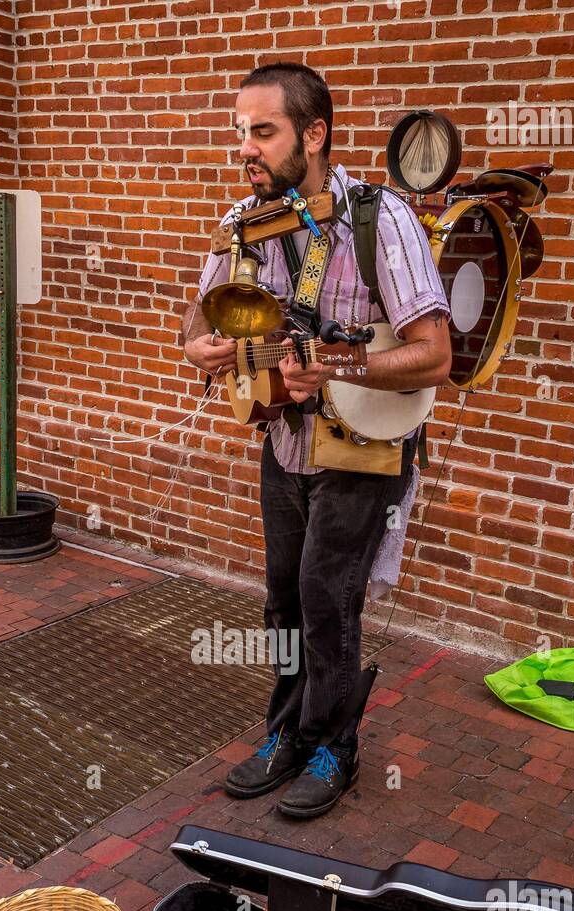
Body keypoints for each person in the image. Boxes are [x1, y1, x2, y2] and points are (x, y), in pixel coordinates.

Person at [182, 62, 451, 819]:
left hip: (363, 448)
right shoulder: (243, 221)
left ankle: (336, 746)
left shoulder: (380, 219)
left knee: (326, 599)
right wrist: (198, 347)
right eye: (239, 131)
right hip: (285, 443)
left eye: (261, 131)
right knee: (282, 600)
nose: (244, 148)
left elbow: (434, 353)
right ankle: (288, 734)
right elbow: (195, 323)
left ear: (314, 134)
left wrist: (330, 362)